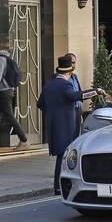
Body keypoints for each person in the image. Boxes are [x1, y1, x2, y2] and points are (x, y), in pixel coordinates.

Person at [38, 55, 83, 195]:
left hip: (53, 123)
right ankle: (60, 186)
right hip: (65, 124)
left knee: (61, 155)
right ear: (69, 72)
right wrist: (95, 92)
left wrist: (53, 112)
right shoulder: (66, 84)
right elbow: (73, 96)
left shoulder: (49, 84)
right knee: (65, 155)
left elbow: (40, 104)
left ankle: (59, 186)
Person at [0, 38, 27, 147]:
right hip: (6, 91)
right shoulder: (5, 57)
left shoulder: (0, 59)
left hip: (4, 92)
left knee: (9, 117)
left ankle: (24, 140)